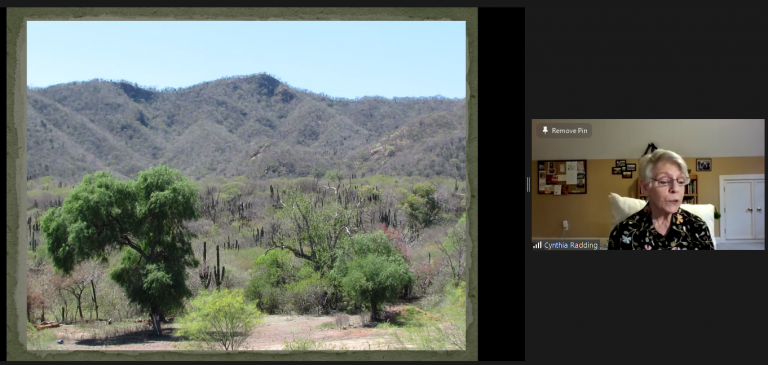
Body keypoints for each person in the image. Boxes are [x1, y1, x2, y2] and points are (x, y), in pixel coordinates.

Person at [608, 149, 714, 250]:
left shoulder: (698, 228)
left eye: (681, 181)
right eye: (664, 181)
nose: (675, 189)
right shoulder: (623, 233)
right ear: (645, 187)